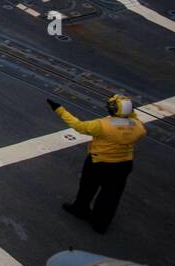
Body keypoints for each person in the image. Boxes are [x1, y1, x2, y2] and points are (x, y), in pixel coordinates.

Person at [49, 94, 146, 233]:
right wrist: (128, 108)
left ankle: (80, 209)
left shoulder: (102, 125)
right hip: (123, 165)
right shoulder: (138, 127)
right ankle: (100, 224)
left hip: (99, 162)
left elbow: (78, 126)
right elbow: (134, 118)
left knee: (87, 187)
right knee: (111, 196)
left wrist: (59, 110)